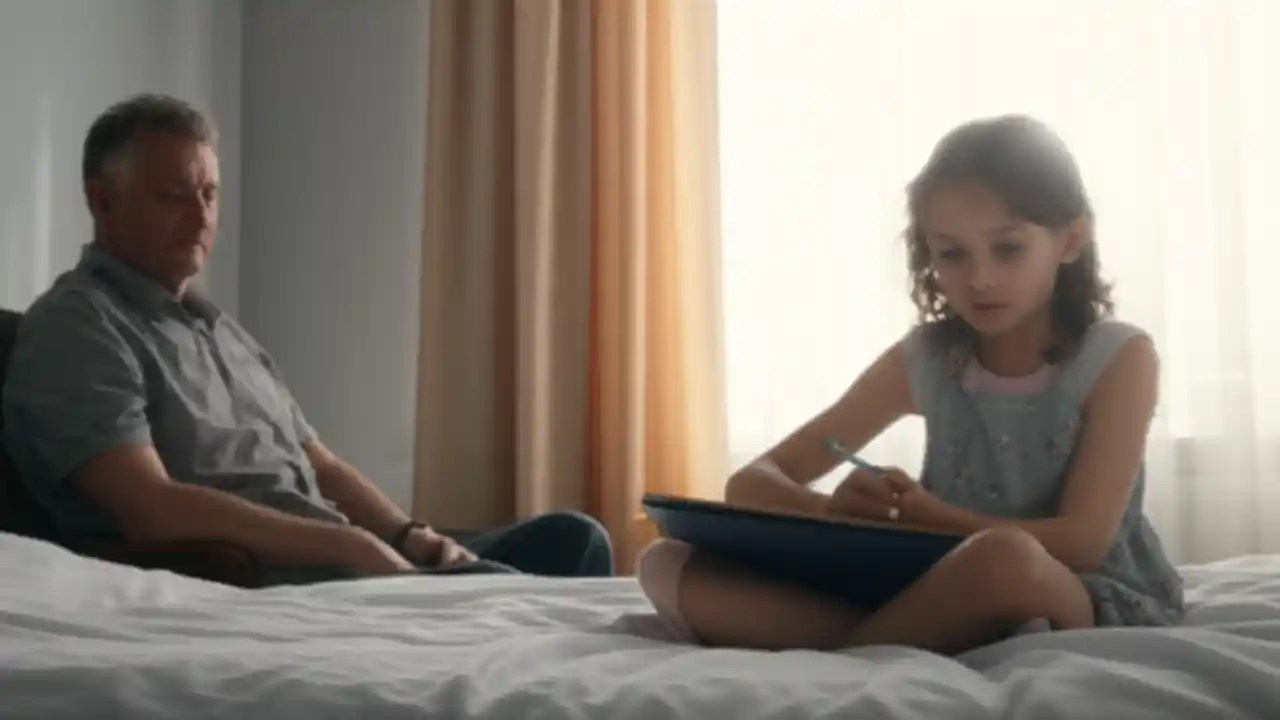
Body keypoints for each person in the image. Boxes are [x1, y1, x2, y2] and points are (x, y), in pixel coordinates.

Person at [2, 94, 612, 584]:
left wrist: (405, 535)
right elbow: (150, 509)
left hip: (349, 550)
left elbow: (322, 466)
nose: (200, 219)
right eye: (172, 197)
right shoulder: (77, 328)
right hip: (288, 574)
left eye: (208, 194)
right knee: (549, 620)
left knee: (577, 537)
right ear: (101, 201)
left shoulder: (221, 331)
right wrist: (347, 545)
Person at [636, 116, 1183, 653]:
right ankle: (900, 637)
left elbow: (1084, 543)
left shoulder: (1120, 357)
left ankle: (858, 648)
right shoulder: (927, 359)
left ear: (1071, 241)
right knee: (665, 564)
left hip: (1071, 591)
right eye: (951, 253)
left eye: (1008, 248)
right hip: (936, 582)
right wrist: (836, 515)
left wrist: (931, 519)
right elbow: (751, 483)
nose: (980, 278)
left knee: (1004, 558)